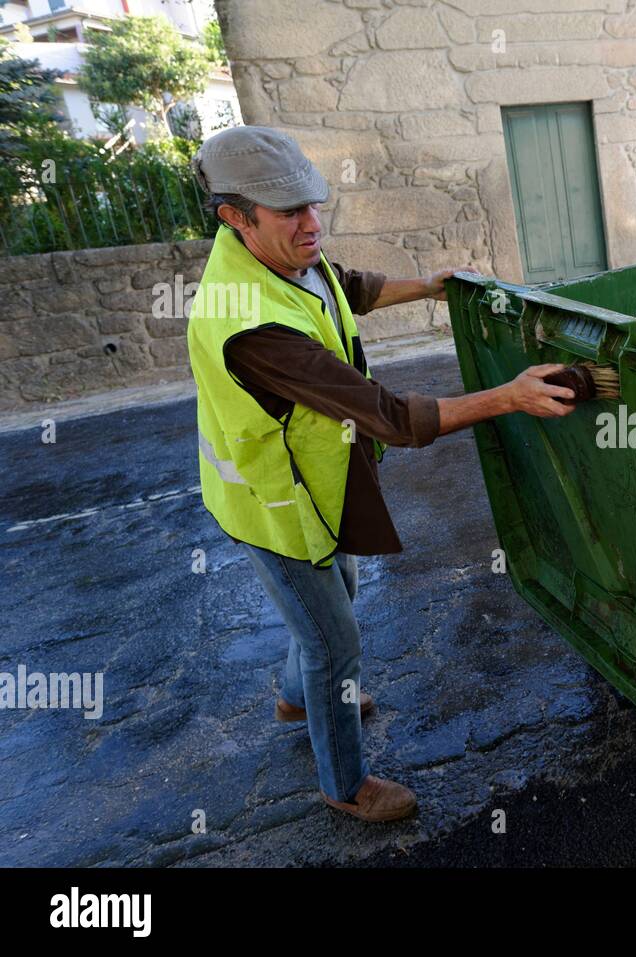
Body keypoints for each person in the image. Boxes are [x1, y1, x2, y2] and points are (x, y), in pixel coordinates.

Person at [186, 126, 575, 822]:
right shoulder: (251, 325)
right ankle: (345, 783)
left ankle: (296, 694)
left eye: (313, 205)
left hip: (316, 483)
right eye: (291, 213)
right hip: (271, 505)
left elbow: (347, 288)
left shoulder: (281, 256)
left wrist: (426, 287)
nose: (312, 225)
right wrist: (509, 396)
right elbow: (390, 416)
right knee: (335, 641)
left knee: (337, 592)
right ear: (235, 217)